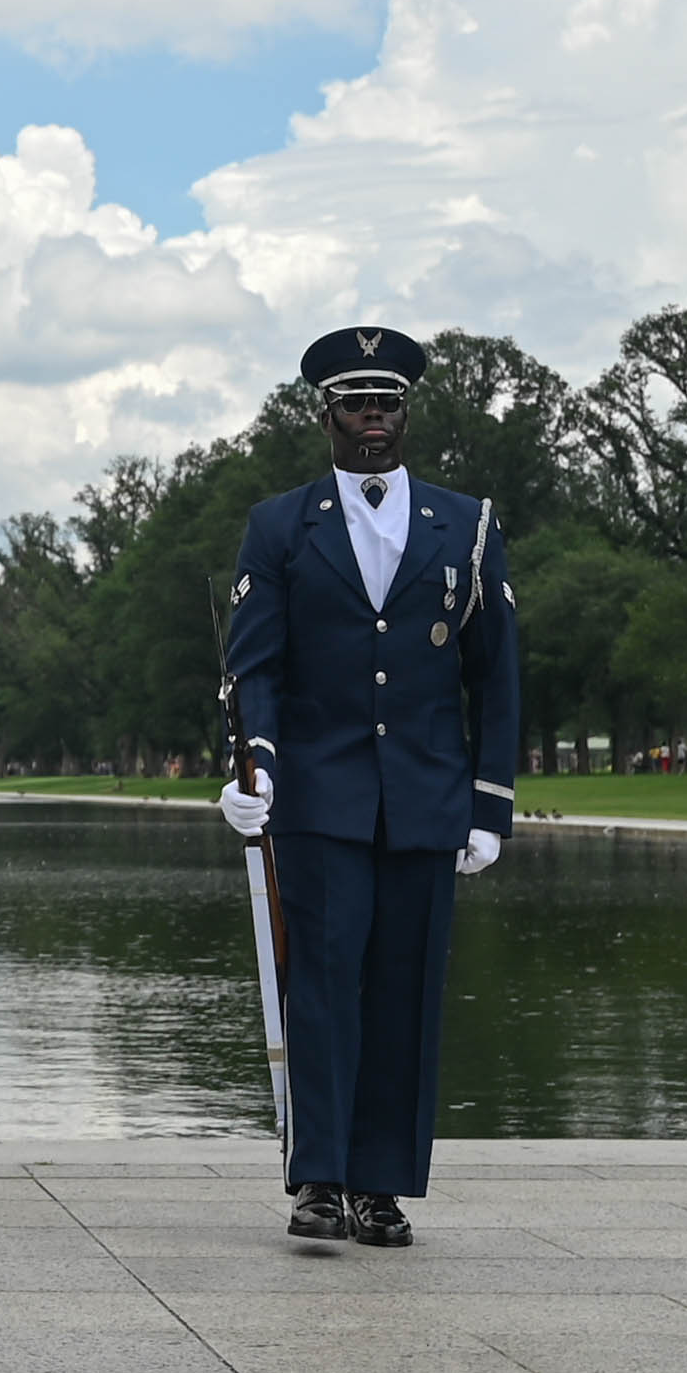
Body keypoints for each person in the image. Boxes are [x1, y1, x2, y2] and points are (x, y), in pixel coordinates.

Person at [215, 325, 520, 1248]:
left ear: (406, 413)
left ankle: (380, 1187)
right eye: (356, 403)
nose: (373, 417)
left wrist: (490, 804)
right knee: (320, 987)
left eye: (387, 402)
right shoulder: (280, 525)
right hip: (319, 796)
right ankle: (318, 1177)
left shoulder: (467, 524)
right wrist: (255, 765)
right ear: (328, 415)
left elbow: (495, 674)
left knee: (404, 993)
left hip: (425, 796)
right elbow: (256, 666)